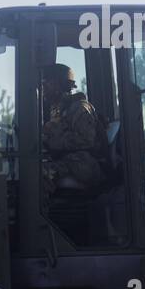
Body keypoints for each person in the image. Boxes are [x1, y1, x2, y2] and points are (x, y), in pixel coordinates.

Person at [40, 63, 104, 198]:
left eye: (47, 83)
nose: (43, 88)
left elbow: (87, 141)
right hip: (70, 161)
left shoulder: (79, 108)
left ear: (59, 85)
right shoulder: (58, 109)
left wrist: (53, 138)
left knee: (40, 176)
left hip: (83, 163)